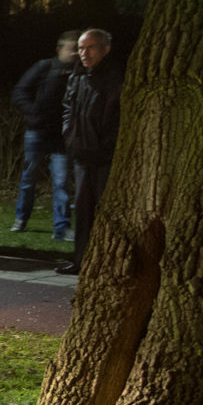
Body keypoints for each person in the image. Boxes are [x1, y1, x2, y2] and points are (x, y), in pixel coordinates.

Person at [59, 28, 125, 276]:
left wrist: (105, 144)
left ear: (105, 49)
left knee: (105, 211)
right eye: (81, 48)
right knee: (83, 211)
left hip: (104, 156)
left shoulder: (114, 77)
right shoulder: (77, 76)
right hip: (81, 155)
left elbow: (116, 115)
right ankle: (81, 261)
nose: (84, 53)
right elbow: (68, 107)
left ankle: (106, 263)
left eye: (90, 48)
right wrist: (70, 135)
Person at [11, 31, 78, 239]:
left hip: (61, 136)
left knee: (61, 181)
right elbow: (20, 91)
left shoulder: (79, 72)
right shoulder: (44, 67)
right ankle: (21, 218)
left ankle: (61, 227)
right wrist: (34, 112)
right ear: (59, 49)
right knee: (29, 178)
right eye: (72, 49)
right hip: (38, 132)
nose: (75, 53)